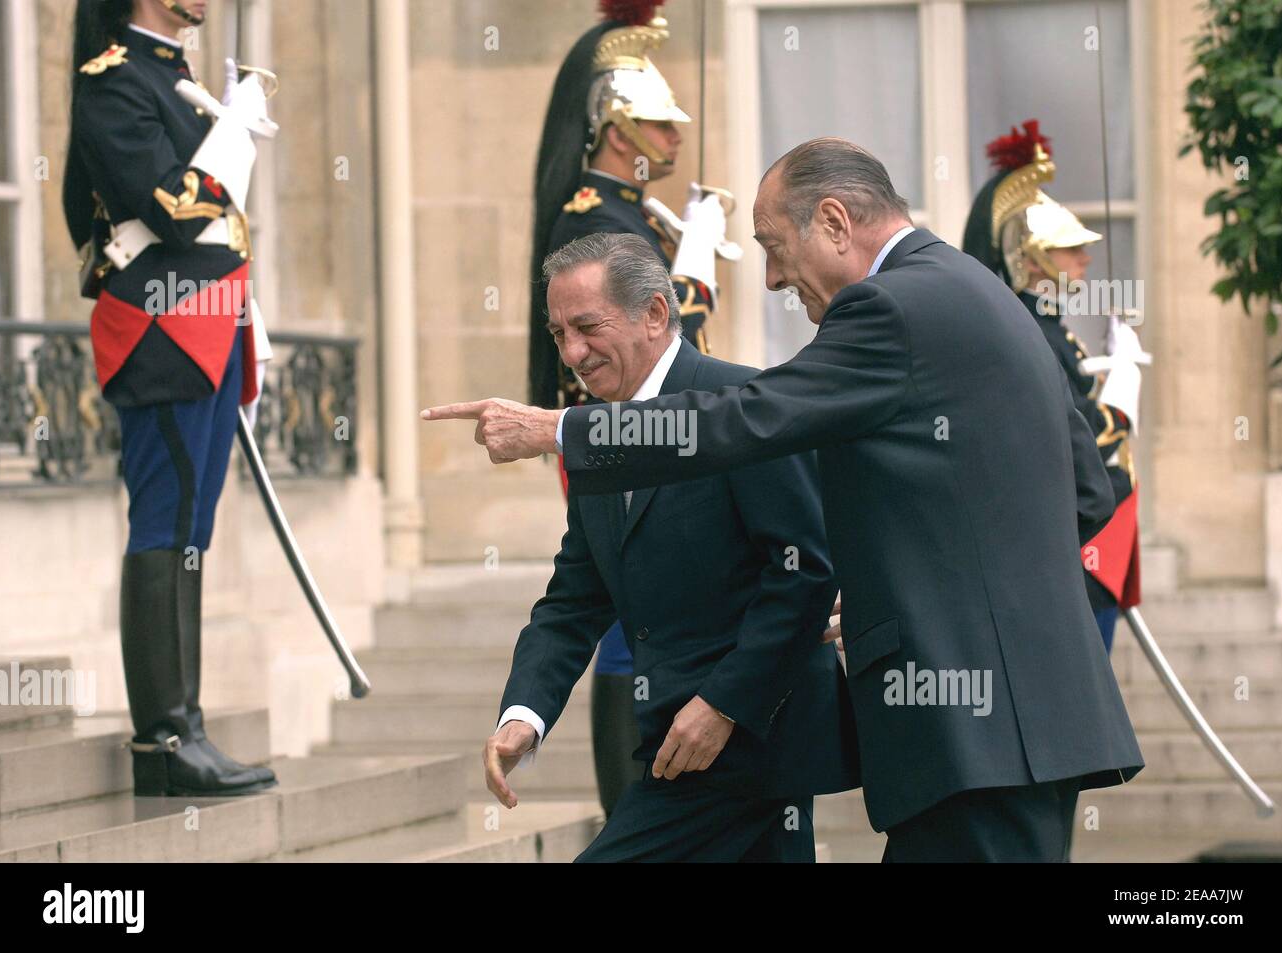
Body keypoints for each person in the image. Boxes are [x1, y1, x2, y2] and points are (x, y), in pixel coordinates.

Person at [425, 137, 1145, 862]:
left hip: (982, 728)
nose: (769, 277)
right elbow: (1086, 490)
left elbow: (750, 416)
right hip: (1019, 721)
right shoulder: (978, 289)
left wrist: (561, 430)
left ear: (833, 221)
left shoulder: (887, 306)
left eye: (774, 245)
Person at [488, 232, 859, 861]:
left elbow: (805, 570)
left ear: (656, 313)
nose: (573, 352)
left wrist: (724, 704)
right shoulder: (596, 434)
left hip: (750, 744)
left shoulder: (743, 402)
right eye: (558, 335)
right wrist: (524, 712)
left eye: (587, 327)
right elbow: (576, 600)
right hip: (680, 746)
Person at [526, 0, 738, 816]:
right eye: (658, 123)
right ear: (617, 126)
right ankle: (630, 804)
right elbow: (667, 317)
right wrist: (692, 259)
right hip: (612, 429)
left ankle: (649, 798)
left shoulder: (633, 209)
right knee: (623, 608)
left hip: (650, 432)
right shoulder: (597, 215)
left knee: (645, 603)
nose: (675, 137)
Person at [64, 0, 277, 796]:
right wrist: (230, 136)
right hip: (162, 329)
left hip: (210, 321)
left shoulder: (173, 77)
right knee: (163, 522)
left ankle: (187, 724)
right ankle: (162, 739)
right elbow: (176, 212)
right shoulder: (113, 82)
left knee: (191, 526)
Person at [963, 120, 1145, 653]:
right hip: (1076, 538)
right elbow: (1078, 432)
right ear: (1036, 257)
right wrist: (1121, 403)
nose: (1084, 260)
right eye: (1071, 250)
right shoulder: (1033, 329)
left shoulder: (1048, 325)